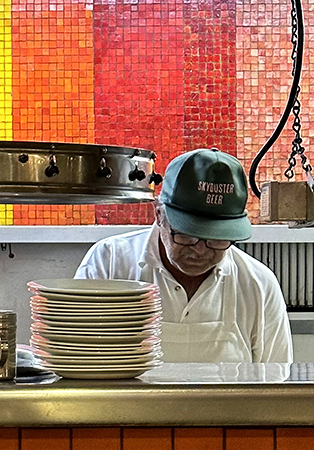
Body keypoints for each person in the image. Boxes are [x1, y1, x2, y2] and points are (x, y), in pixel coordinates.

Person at [75, 148, 293, 364]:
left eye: (217, 239)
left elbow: (278, 383)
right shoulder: (109, 264)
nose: (200, 250)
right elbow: (77, 360)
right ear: (159, 214)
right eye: (188, 235)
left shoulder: (258, 284)